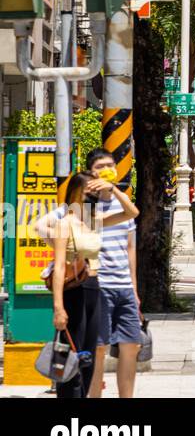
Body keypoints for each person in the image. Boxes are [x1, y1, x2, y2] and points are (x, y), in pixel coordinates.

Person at [44, 167, 139, 398]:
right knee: (70, 355)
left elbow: (131, 212)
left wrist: (113, 189)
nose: (91, 195)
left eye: (93, 191)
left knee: (88, 356)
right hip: (74, 291)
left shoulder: (93, 220)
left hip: (95, 289)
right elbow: (58, 268)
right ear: (76, 191)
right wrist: (58, 307)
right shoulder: (64, 223)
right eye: (88, 191)